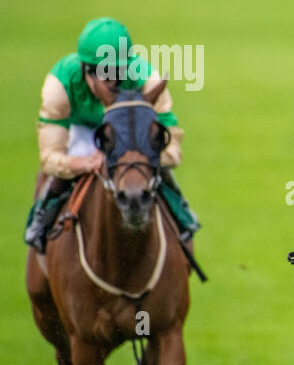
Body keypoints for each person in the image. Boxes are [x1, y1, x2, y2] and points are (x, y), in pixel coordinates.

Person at [24, 17, 199, 253]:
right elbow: (49, 156)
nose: (110, 79)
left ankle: (181, 213)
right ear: (84, 68)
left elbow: (172, 147)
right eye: (101, 72)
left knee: (152, 168)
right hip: (83, 129)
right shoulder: (60, 85)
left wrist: (145, 156)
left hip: (130, 131)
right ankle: (42, 218)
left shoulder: (148, 81)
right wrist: (81, 163)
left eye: (117, 70)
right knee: (64, 170)